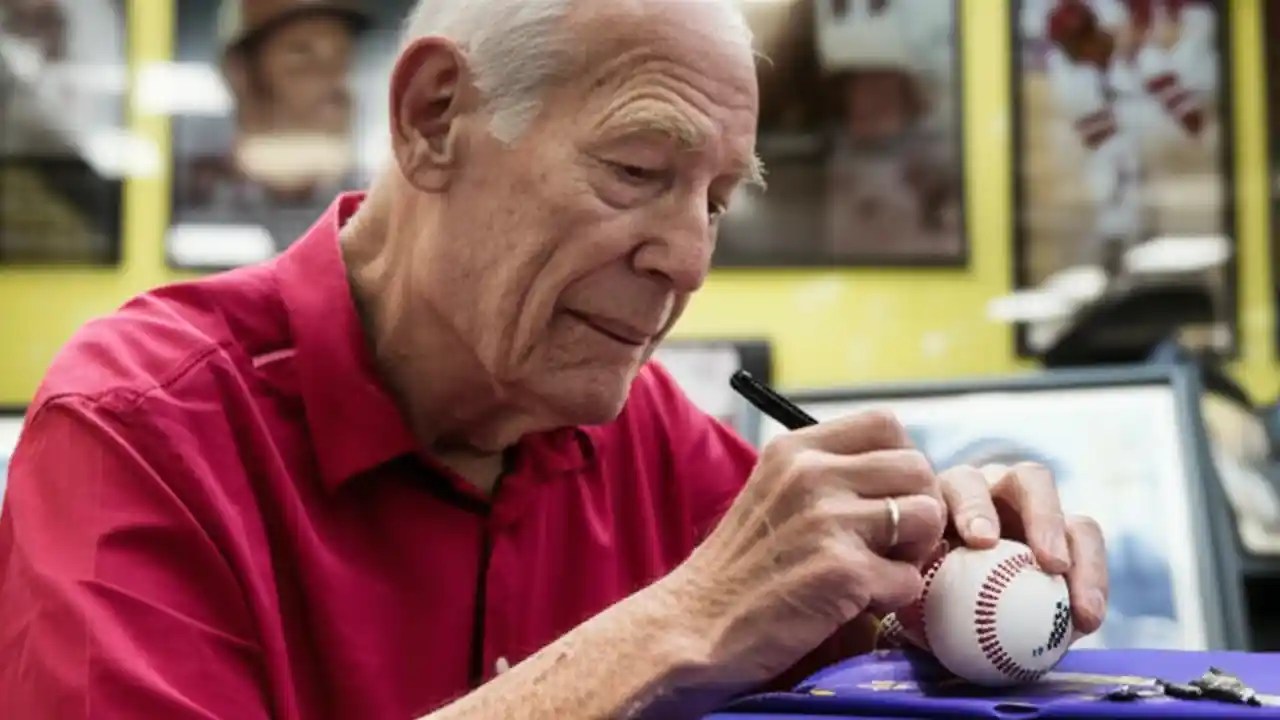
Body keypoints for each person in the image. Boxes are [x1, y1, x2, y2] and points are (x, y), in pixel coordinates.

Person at [0, 1, 1109, 718]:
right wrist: (675, 626)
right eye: (636, 170)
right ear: (433, 117)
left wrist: (938, 574)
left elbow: (851, 625)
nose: (685, 260)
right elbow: (711, 608)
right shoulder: (139, 429)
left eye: (719, 202)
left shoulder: (652, 445)